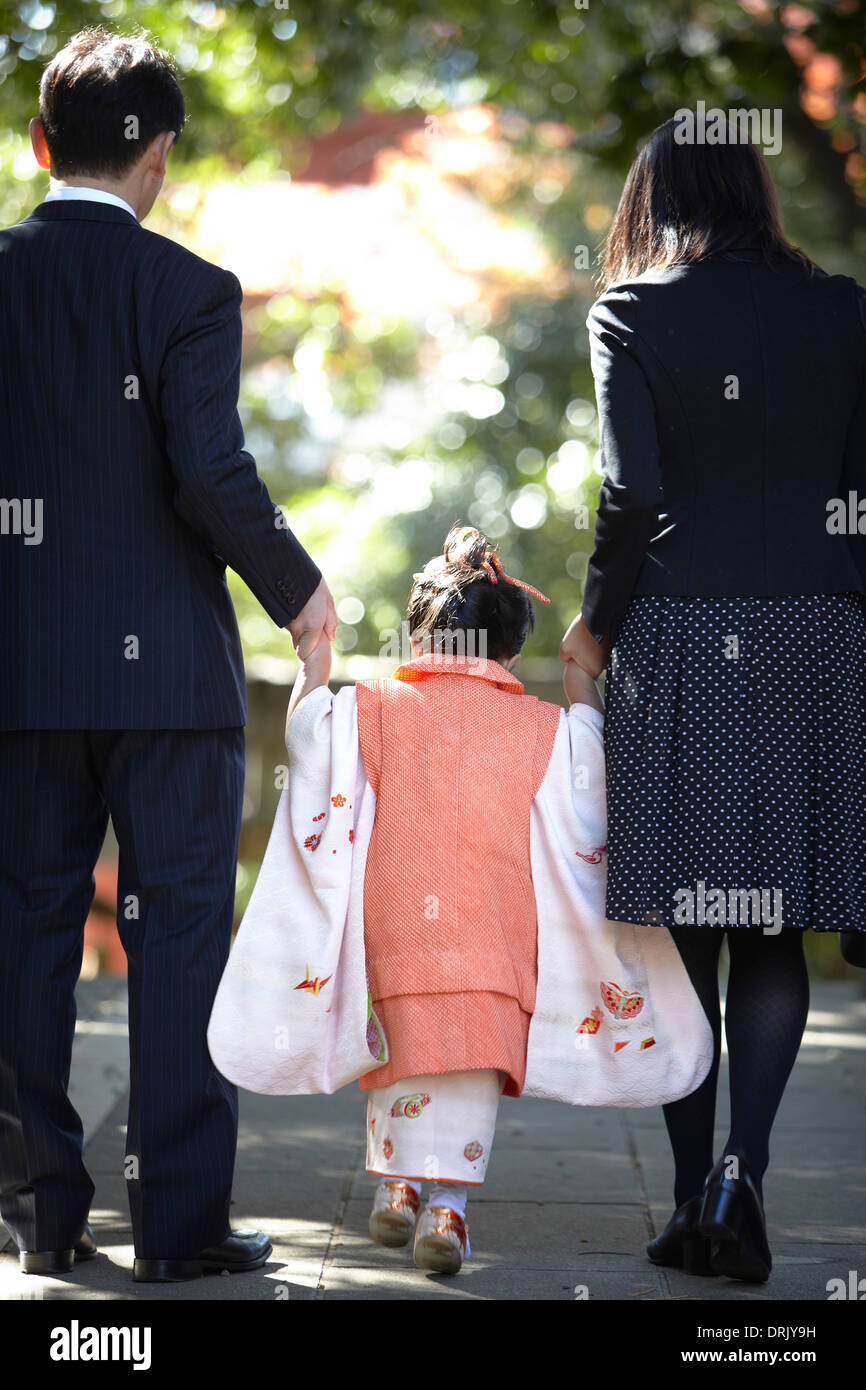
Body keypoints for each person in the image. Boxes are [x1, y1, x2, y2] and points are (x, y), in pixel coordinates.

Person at [0, 27, 335, 1283]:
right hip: (167, 681)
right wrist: (298, 592)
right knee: (182, 935)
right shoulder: (188, 289)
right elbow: (208, 471)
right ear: (159, 154)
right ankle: (180, 1228)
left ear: (41, 144)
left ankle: (41, 1215)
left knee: (24, 933)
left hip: (23, 671)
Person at [208, 525, 715, 1277]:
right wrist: (581, 688)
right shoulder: (544, 729)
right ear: (510, 649)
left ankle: (396, 1191)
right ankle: (448, 1207)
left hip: (397, 934)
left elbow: (312, 749)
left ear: (419, 634)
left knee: (403, 1058)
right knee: (471, 1065)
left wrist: (316, 661)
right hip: (495, 944)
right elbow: (586, 809)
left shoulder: (370, 710)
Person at [560, 116, 866, 1283]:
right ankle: (744, 1169)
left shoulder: (632, 313)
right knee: (772, 922)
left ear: (655, 195)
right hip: (813, 632)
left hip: (684, 630)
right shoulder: (840, 310)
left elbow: (630, 493)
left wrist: (593, 618)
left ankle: (693, 1196)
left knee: (683, 920)